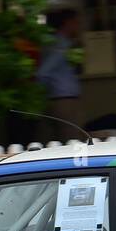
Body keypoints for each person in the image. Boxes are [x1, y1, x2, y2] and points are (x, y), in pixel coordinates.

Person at [35, 9, 83, 137]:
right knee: (71, 143)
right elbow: (43, 72)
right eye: (76, 22)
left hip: (58, 99)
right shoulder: (60, 45)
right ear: (68, 23)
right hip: (63, 100)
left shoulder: (52, 43)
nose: (78, 26)